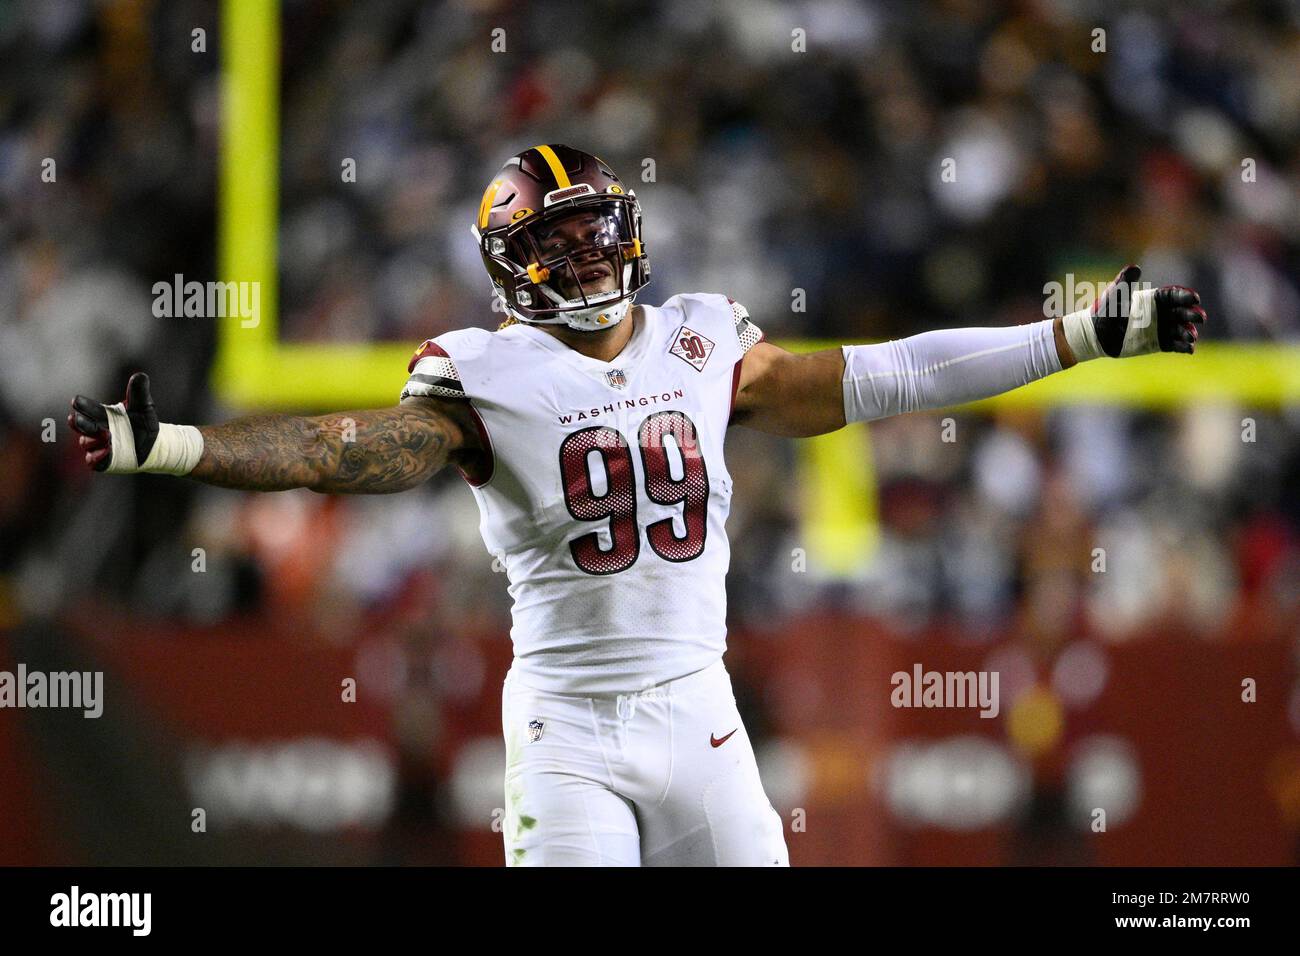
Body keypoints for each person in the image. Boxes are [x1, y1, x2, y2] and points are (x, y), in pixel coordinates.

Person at [68, 144, 1206, 866]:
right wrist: (172, 447)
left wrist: (1083, 332)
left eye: (595, 230)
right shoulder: (485, 371)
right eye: (556, 243)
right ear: (515, 268)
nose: (588, 254)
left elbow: (896, 370)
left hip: (697, 706)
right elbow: (342, 445)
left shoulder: (703, 340)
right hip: (567, 727)